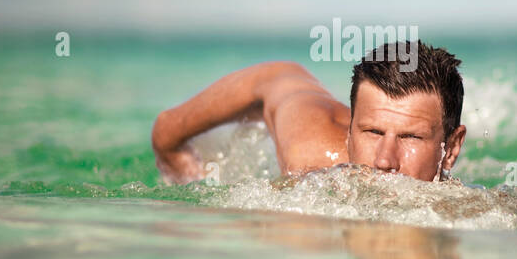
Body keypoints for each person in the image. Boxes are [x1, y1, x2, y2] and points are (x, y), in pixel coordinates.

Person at [152, 41, 466, 184]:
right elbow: (276, 76)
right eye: (372, 132)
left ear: (451, 148)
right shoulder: (308, 153)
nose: (384, 161)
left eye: (410, 137)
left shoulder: (476, 211)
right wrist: (170, 150)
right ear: (350, 129)